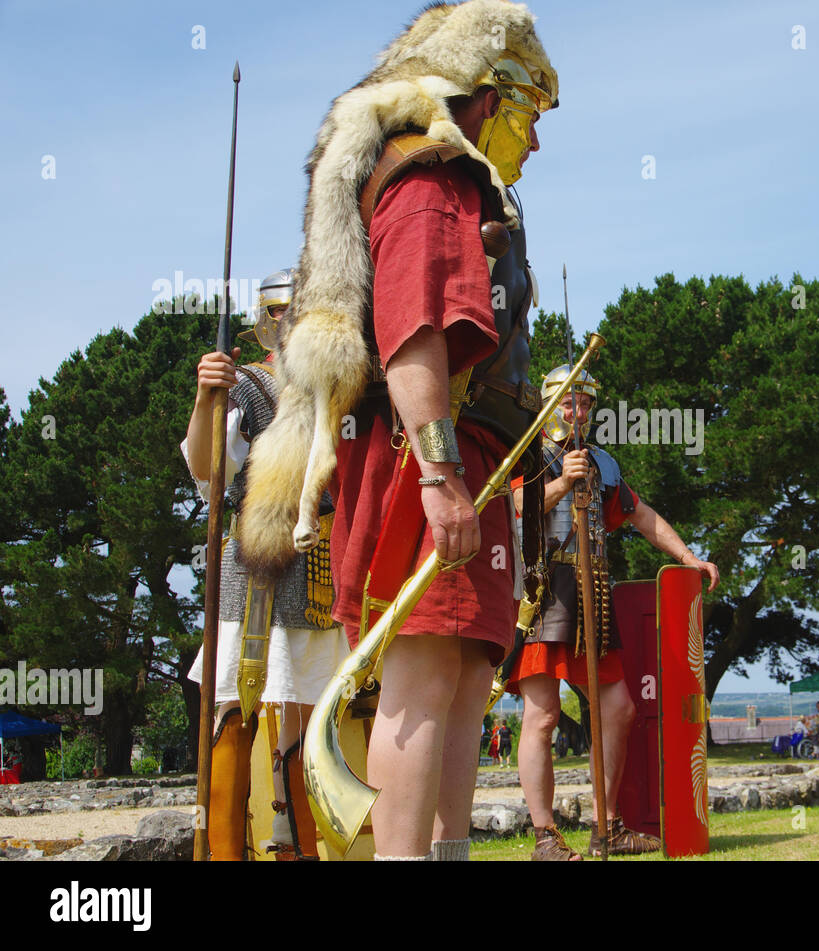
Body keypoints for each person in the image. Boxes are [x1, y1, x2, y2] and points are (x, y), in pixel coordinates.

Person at [239, 1, 559, 861]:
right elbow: (415, 328)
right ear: (487, 98)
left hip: (466, 457)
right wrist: (438, 470)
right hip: (433, 456)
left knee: (461, 679)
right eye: (530, 115)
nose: (536, 141)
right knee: (422, 681)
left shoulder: (448, 186)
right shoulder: (430, 180)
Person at [506, 365, 720, 860]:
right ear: (549, 404)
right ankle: (544, 837)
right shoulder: (527, 453)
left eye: (583, 402)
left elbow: (641, 516)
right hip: (545, 589)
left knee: (619, 708)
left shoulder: (603, 463)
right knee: (542, 715)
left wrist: (688, 558)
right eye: (567, 400)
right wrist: (562, 483)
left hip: (593, 591)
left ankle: (608, 827)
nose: (576, 410)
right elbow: (513, 507)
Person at [184, 269, 352, 860]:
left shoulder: (344, 390)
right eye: (281, 315)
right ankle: (228, 854)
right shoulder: (250, 387)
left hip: (324, 570)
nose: (290, 325)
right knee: (236, 706)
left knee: (310, 722)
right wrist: (208, 397)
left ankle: (298, 849)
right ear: (267, 324)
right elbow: (208, 470)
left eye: (300, 314)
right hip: (254, 569)